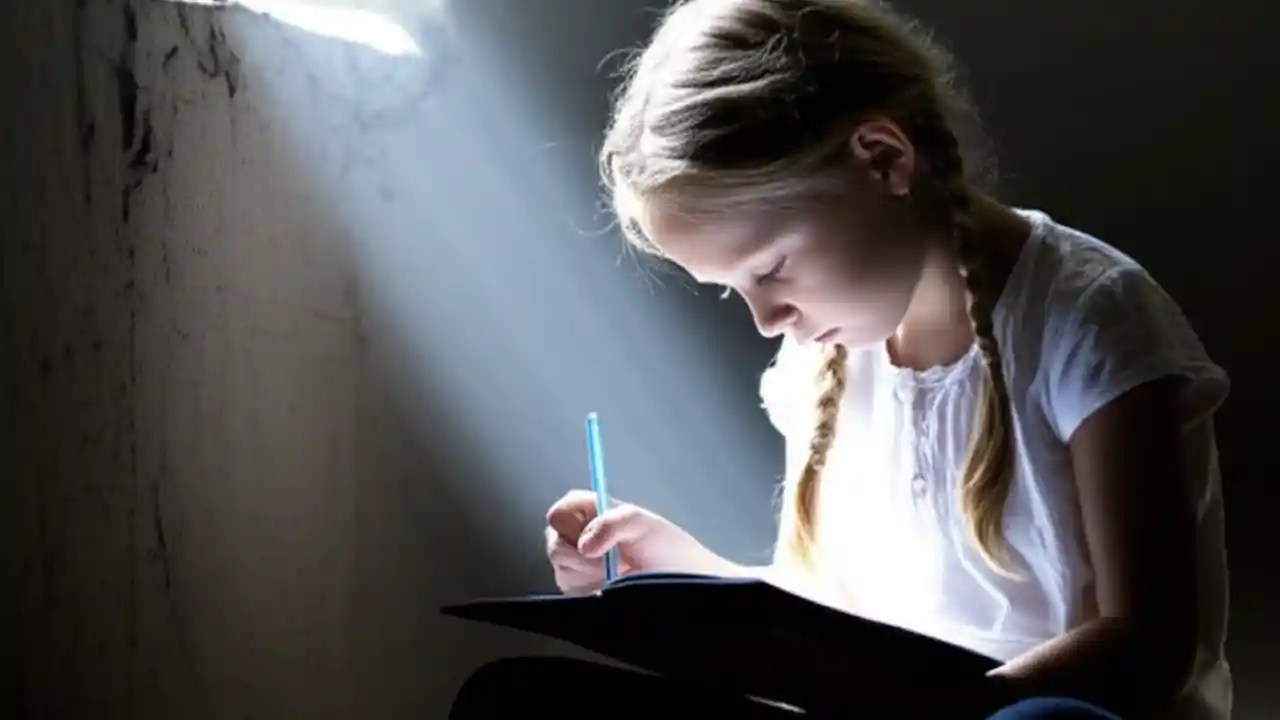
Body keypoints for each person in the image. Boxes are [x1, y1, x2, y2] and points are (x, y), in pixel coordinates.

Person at [451, 0, 1231, 717]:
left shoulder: (1089, 316)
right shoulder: (822, 357)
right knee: (515, 697)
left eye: (770, 269)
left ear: (883, 159)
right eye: (732, 291)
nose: (765, 319)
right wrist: (679, 571)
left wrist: (942, 707)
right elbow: (840, 628)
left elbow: (1149, 644)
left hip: (1033, 713)